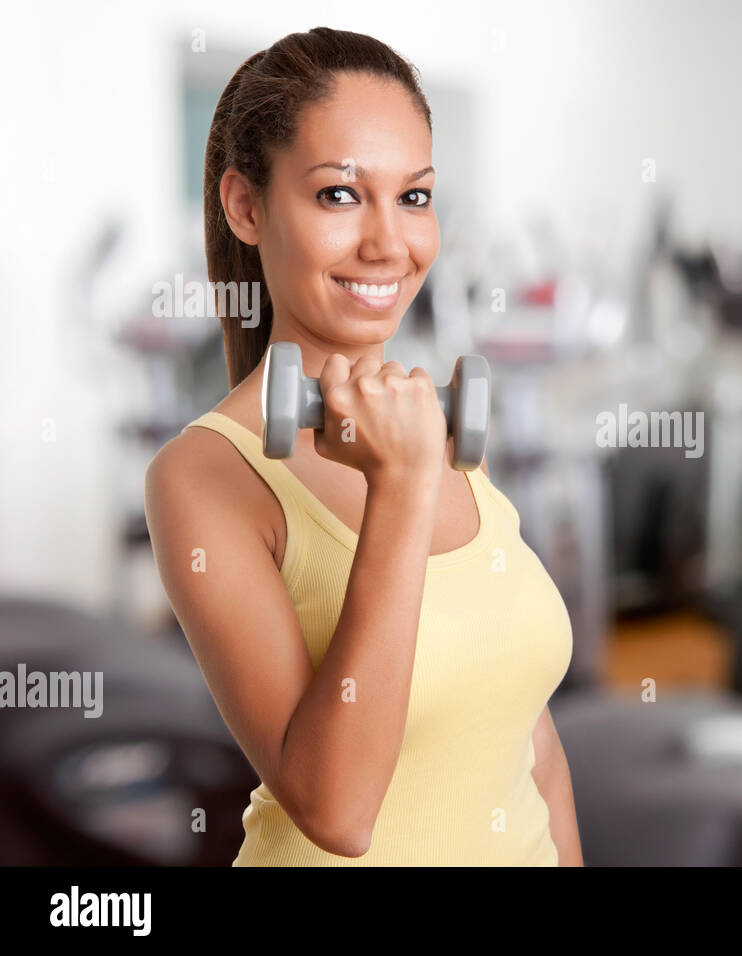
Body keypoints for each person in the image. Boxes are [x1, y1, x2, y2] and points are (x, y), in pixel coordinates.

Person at [144, 27, 581, 866]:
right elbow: (336, 812)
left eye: (413, 197)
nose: (389, 243)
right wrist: (403, 488)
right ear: (246, 206)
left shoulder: (443, 433)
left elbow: (536, 754)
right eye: (341, 196)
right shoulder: (203, 477)